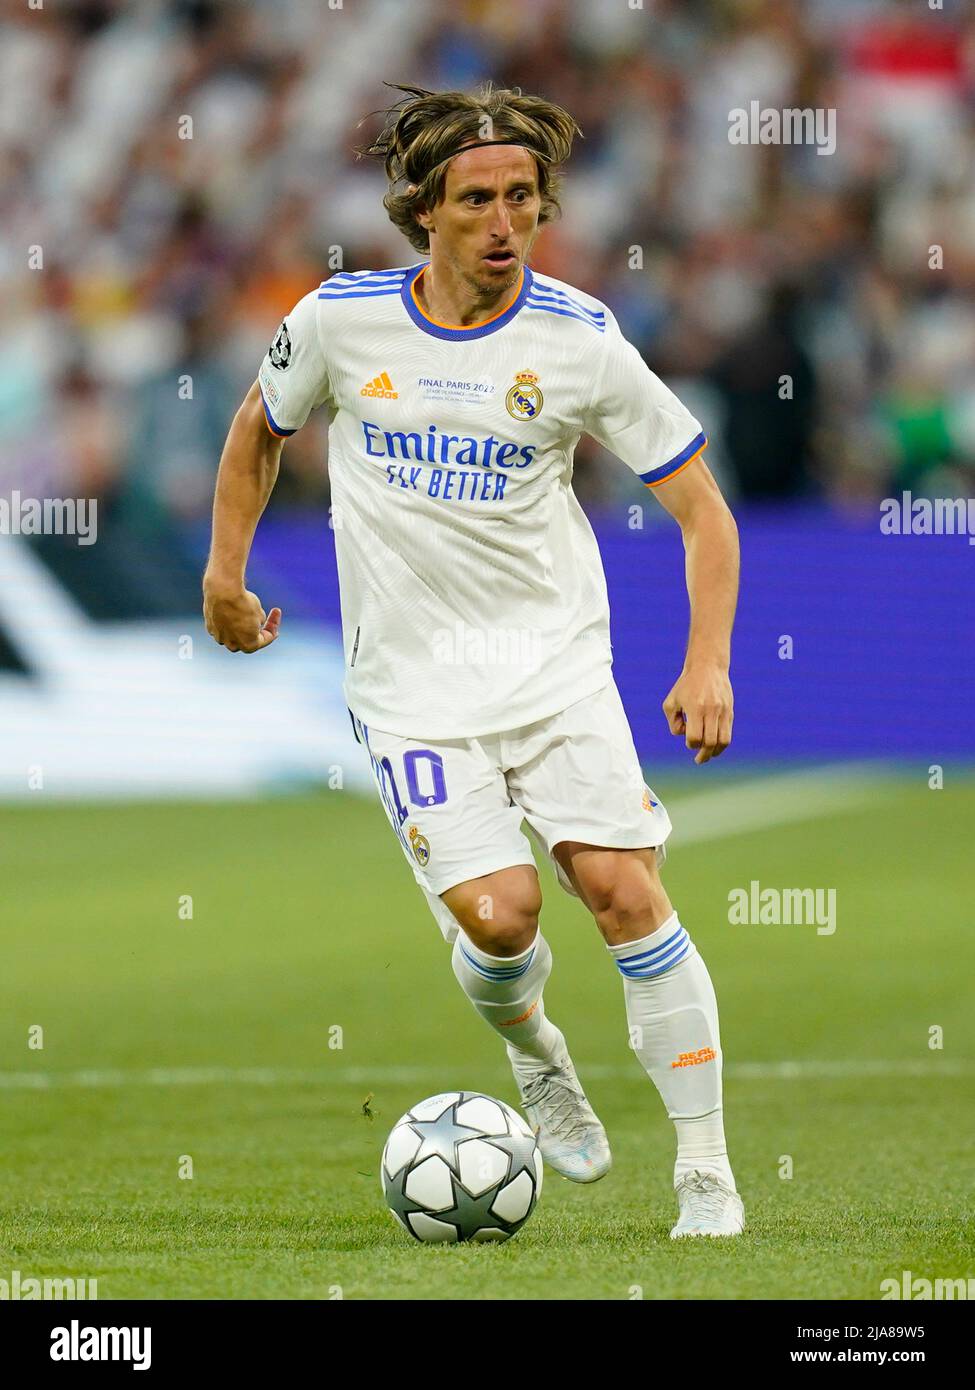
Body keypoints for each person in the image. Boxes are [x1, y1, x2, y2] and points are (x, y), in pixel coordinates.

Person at [203, 82, 743, 1238]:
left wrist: (708, 662)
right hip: (411, 694)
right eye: (479, 201)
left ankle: (705, 1169)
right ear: (424, 212)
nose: (505, 224)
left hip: (555, 673)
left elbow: (703, 509)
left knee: (622, 890)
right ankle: (538, 1053)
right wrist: (225, 576)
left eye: (524, 200)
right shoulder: (342, 323)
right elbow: (257, 428)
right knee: (499, 921)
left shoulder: (581, 339)